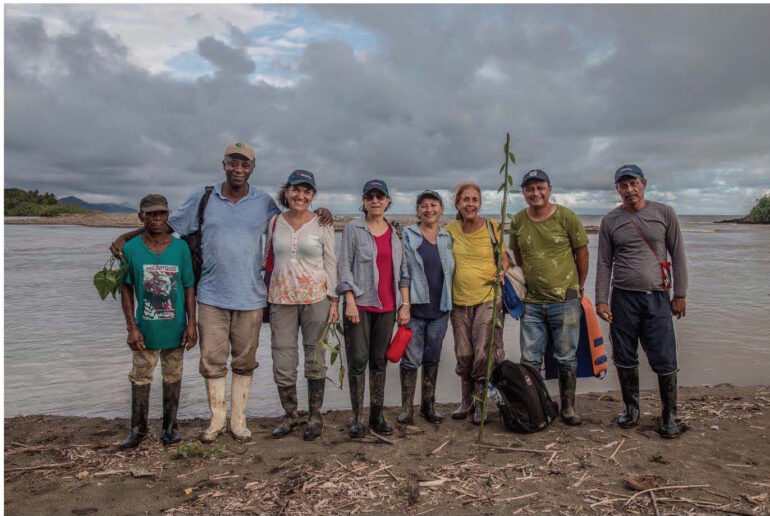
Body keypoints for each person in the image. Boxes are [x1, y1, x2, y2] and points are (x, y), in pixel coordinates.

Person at [111, 142, 333, 443]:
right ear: (224, 164)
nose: (238, 169)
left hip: (251, 297)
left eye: (245, 164)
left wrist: (321, 213)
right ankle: (217, 420)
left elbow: (293, 219)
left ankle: (238, 421)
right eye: (233, 163)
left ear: (252, 168)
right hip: (211, 296)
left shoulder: (264, 203)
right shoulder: (203, 198)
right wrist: (128, 237)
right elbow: (168, 226)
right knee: (212, 361)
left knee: (245, 361)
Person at [595, 164, 688, 439]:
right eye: (623, 185)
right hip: (622, 297)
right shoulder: (610, 220)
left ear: (644, 183)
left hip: (656, 296)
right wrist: (601, 300)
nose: (629, 189)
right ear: (617, 189)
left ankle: (669, 415)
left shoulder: (664, 213)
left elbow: (678, 255)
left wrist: (680, 294)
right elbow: (604, 262)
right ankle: (631, 409)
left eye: (633, 183)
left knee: (665, 356)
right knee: (624, 355)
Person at [508, 169, 589, 426]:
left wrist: (579, 286)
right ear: (523, 192)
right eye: (530, 189)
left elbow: (582, 252)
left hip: (565, 300)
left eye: (540, 188)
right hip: (531, 302)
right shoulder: (518, 221)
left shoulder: (566, 216)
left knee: (566, 356)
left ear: (549, 189)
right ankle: (537, 405)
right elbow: (518, 255)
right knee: (530, 358)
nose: (535, 193)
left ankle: (568, 407)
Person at [119, 194, 197, 448]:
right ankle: (138, 430)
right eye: (151, 214)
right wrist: (131, 328)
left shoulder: (180, 248)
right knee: (140, 376)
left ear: (168, 216)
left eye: (162, 214)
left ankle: (170, 428)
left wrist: (192, 324)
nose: (157, 219)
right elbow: (126, 289)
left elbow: (188, 286)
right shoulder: (130, 250)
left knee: (173, 375)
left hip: (175, 328)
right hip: (145, 329)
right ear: (140, 217)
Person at [267, 170, 339, 441]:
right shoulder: (275, 222)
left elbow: (331, 262)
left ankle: (315, 415)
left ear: (313, 196)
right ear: (286, 192)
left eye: (307, 191)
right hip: (281, 299)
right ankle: (290, 415)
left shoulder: (322, 223)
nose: (301, 195)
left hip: (316, 299)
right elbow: (266, 257)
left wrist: (334, 300)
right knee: (283, 358)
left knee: (315, 356)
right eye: (296, 190)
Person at [337, 179, 409, 438]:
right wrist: (350, 301)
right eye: (370, 197)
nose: (375, 200)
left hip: (388, 308)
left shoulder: (396, 232)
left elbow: (403, 272)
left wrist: (405, 305)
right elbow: (344, 267)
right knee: (357, 361)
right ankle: (357, 419)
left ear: (388, 201)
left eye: (380, 196)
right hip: (359, 306)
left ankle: (377, 416)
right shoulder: (353, 229)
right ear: (364, 201)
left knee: (379, 362)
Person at [445, 182, 509, 425]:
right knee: (464, 353)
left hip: (488, 298)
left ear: (480, 203)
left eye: (474, 200)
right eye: (465, 200)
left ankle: (481, 403)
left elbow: (504, 258)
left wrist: (501, 272)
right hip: (458, 301)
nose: (470, 204)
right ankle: (466, 401)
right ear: (458, 204)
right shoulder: (450, 229)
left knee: (483, 352)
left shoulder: (492, 227)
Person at [398, 190, 455, 425]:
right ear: (417, 211)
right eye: (423, 206)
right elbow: (403, 272)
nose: (428, 209)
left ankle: (428, 406)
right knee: (411, 359)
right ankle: (406, 409)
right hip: (415, 311)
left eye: (433, 205)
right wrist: (404, 305)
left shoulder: (447, 237)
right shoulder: (408, 235)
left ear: (441, 209)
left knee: (432, 358)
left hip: (440, 309)